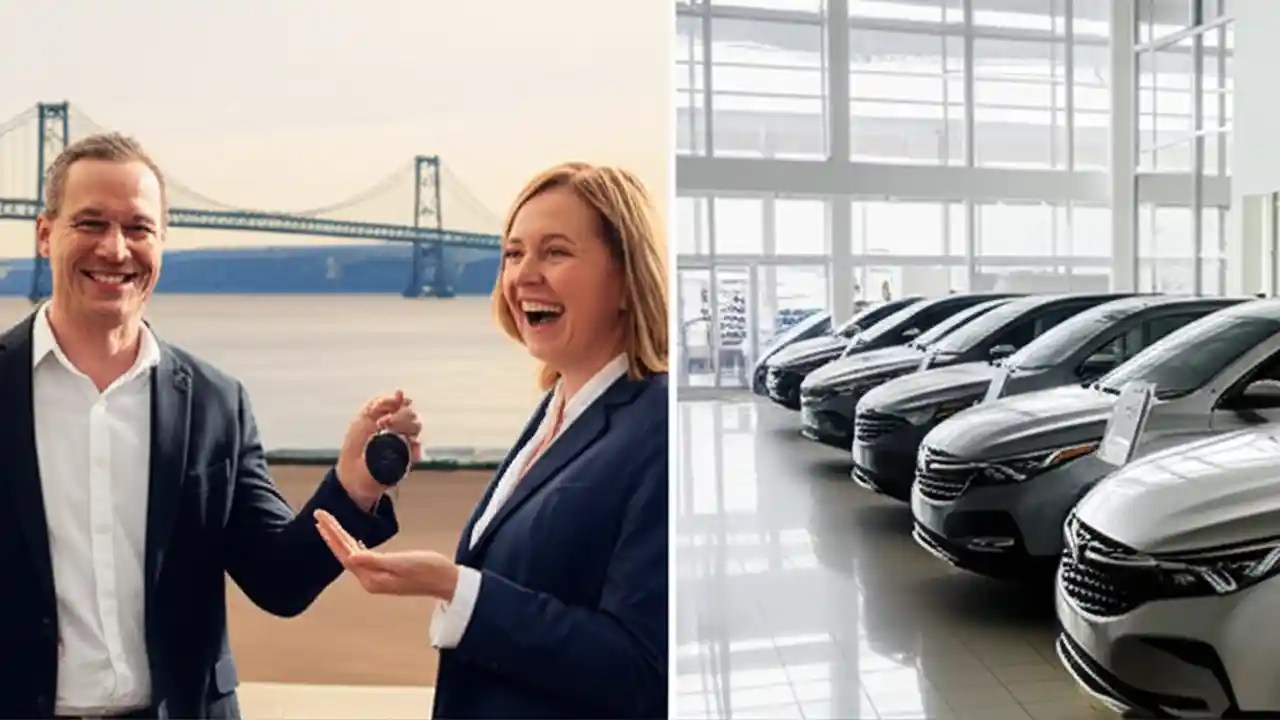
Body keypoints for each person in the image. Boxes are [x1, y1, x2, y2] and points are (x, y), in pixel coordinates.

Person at [0, 133, 421, 719]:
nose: (116, 249)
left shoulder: (216, 403)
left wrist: (353, 487)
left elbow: (280, 581)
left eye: (139, 228)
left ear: (164, 241)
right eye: (90, 223)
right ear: (45, 235)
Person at [316, 162, 669, 718]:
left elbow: (643, 670)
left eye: (555, 252)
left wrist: (459, 591)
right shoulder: (555, 411)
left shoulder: (660, 426)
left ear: (627, 279)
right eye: (513, 253)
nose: (524, 274)